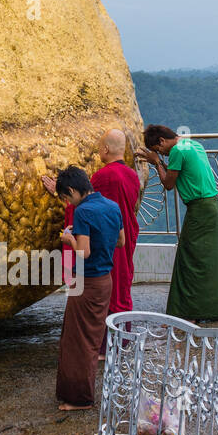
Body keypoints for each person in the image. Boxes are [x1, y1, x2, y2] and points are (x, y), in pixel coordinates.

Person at [135, 124, 218, 323]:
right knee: (207, 259)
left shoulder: (177, 151)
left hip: (200, 209)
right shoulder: (191, 144)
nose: (160, 153)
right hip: (211, 206)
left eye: (157, 149)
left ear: (161, 141)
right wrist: (160, 160)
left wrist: (157, 163)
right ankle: (214, 307)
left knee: (190, 259)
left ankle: (191, 312)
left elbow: (169, 184)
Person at [42, 129, 143, 314]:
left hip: (104, 244)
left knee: (107, 291)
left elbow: (86, 207)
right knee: (122, 286)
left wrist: (61, 193)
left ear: (105, 149)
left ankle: (103, 338)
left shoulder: (103, 176)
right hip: (123, 237)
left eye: (99, 149)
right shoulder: (132, 175)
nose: (98, 153)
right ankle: (121, 335)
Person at [52, 166, 124, 411]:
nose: (67, 202)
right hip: (105, 281)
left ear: (72, 190)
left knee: (77, 341)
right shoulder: (113, 206)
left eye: (65, 197)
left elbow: (83, 253)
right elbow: (121, 241)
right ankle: (79, 393)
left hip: (86, 282)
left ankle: (80, 399)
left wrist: (69, 239)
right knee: (90, 339)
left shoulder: (82, 212)